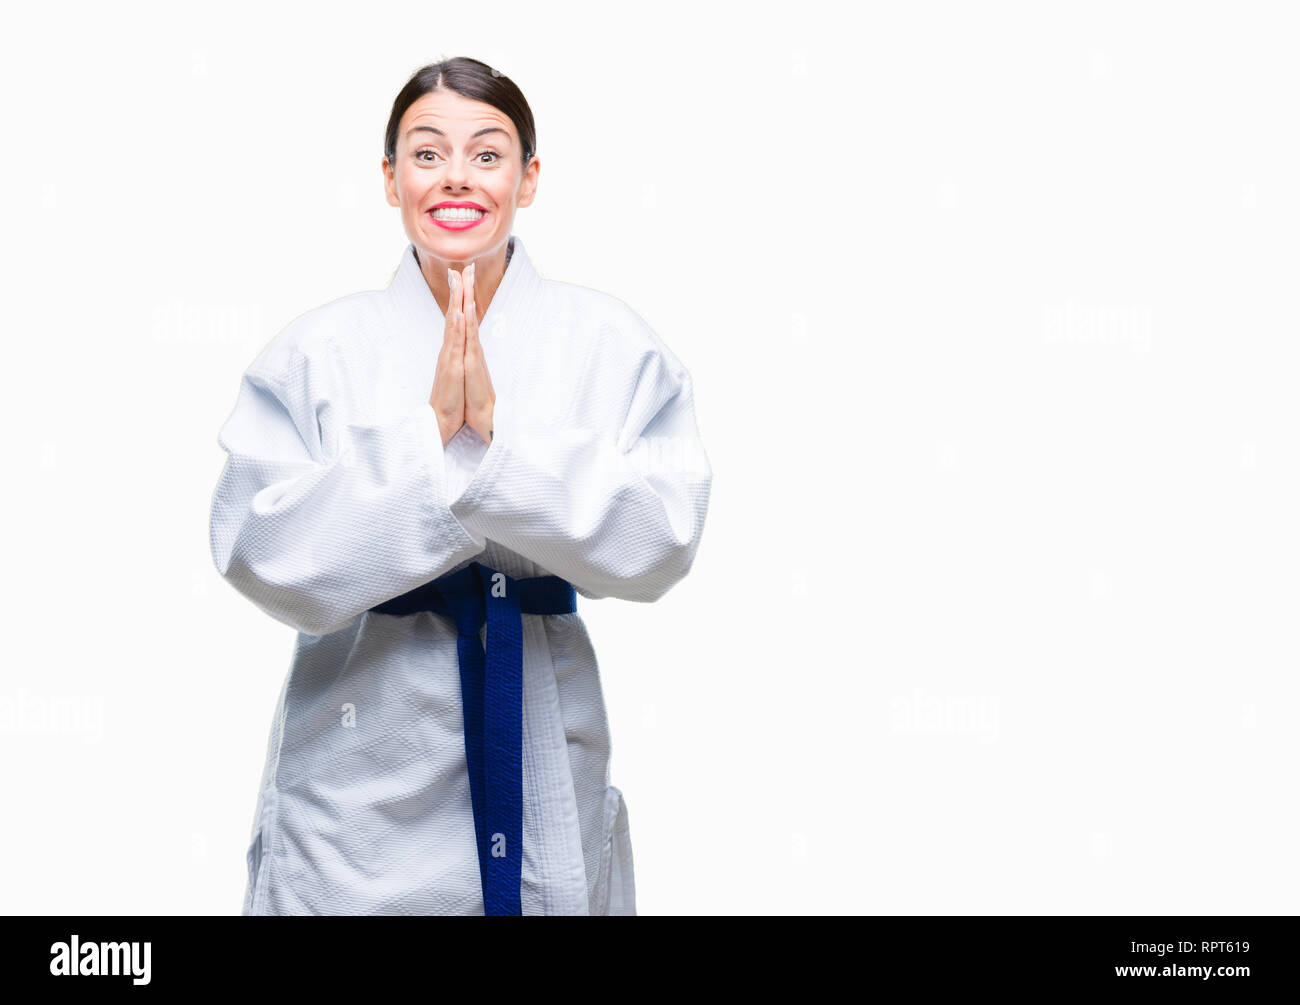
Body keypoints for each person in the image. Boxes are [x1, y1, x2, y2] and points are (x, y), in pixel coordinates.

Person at [207, 57, 712, 915]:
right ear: (390, 178)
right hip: (359, 750)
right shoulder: (317, 352)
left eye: (487, 154)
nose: (456, 177)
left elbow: (662, 540)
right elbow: (259, 552)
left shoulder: (610, 343)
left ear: (528, 178)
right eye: (427, 152)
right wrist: (429, 436)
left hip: (540, 719)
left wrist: (504, 444)